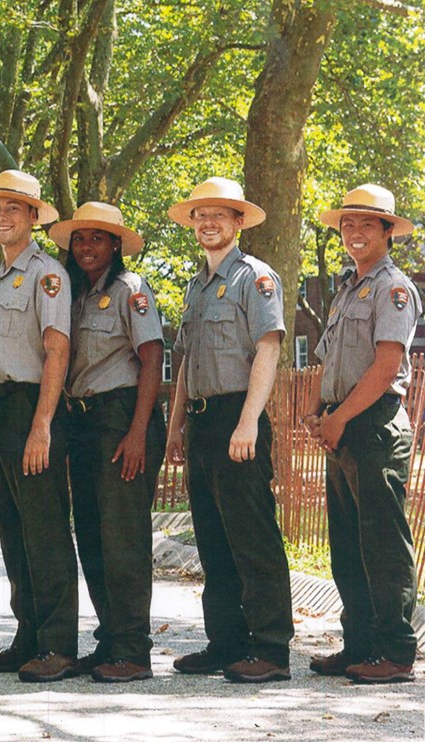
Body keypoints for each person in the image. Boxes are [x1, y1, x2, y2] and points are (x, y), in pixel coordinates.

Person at [165, 177, 293, 683]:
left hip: (237, 416)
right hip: (199, 422)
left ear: (239, 222)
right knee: (213, 538)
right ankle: (226, 642)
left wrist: (248, 422)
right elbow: (183, 362)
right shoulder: (197, 286)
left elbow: (269, 348)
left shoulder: (255, 278)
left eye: (220, 214)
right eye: (201, 215)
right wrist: (175, 426)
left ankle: (271, 647)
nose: (209, 223)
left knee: (252, 535)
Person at [304, 184, 419, 684]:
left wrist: (340, 417)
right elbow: (327, 358)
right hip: (343, 422)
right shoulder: (348, 287)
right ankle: (360, 646)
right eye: (347, 224)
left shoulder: (394, 288)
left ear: (388, 231)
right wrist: (315, 411)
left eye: (366, 224)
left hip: (373, 425)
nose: (353, 232)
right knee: (347, 543)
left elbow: (386, 364)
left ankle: (394, 652)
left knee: (382, 542)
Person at [0, 170, 79, 683]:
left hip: (34, 407)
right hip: (2, 409)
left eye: (13, 208)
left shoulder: (46, 273)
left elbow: (56, 348)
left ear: (34, 216)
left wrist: (42, 426)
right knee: (13, 529)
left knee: (46, 529)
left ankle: (57, 643)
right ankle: (27, 635)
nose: (2, 217)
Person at [53, 202, 165, 682]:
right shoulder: (74, 295)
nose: (87, 247)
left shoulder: (131, 290)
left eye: (97, 239)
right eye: (80, 239)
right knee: (94, 538)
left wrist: (138, 432)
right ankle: (110, 638)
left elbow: (152, 356)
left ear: (115, 244)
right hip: (83, 423)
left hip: (122, 419)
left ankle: (133, 650)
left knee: (123, 538)